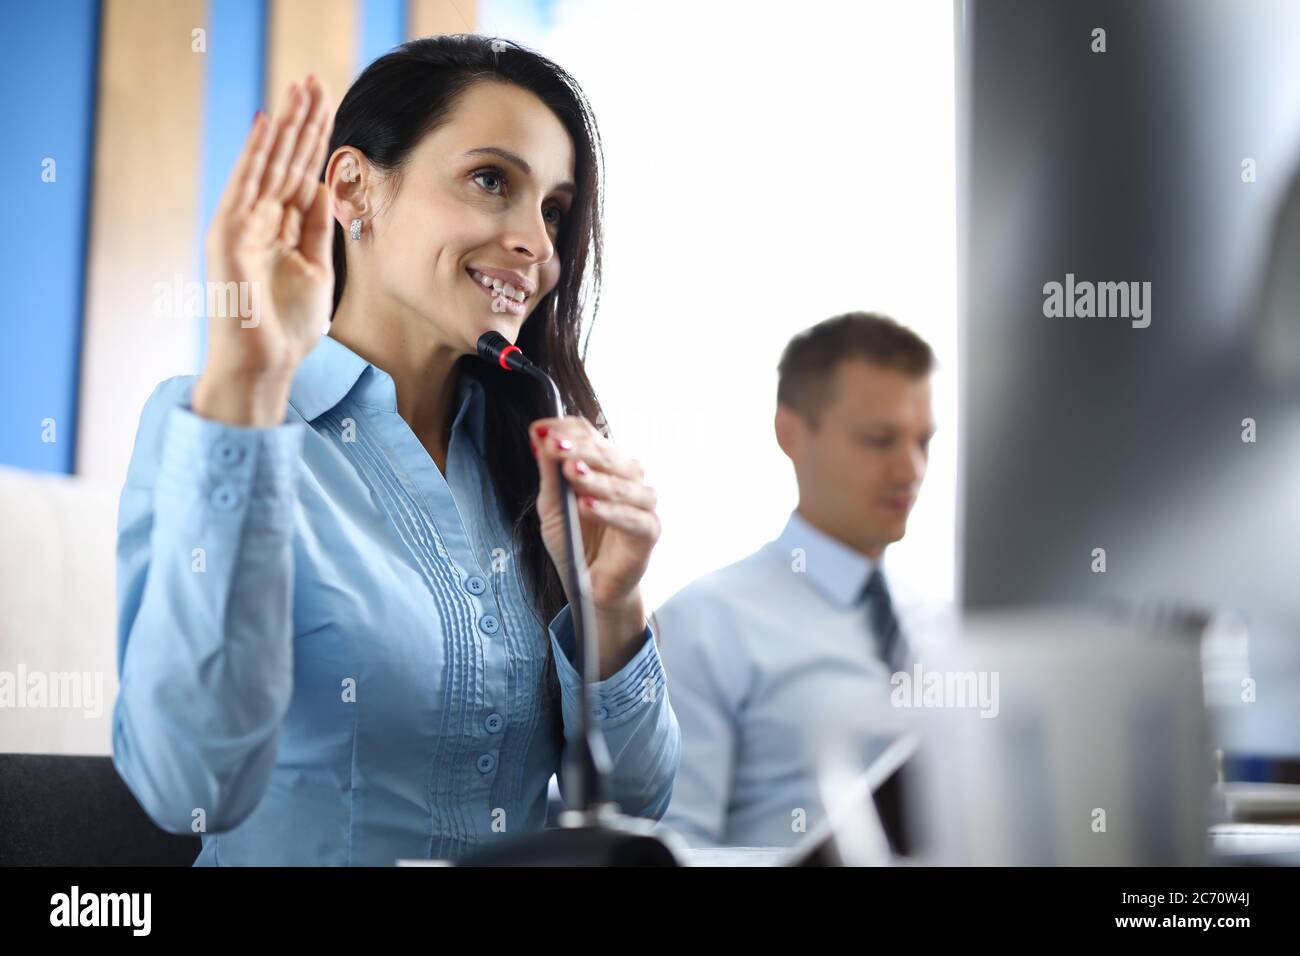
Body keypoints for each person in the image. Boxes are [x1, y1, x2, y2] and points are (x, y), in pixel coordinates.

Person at [112, 35, 680, 866]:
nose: (538, 245)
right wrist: (246, 384)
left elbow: (639, 807)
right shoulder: (218, 430)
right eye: (492, 181)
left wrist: (612, 609)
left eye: (554, 211)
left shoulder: (531, 472)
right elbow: (185, 786)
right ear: (353, 189)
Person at [654, 313, 936, 848]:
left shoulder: (952, 629)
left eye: (924, 441)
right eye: (880, 440)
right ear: (791, 432)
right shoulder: (704, 624)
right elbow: (673, 851)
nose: (911, 470)